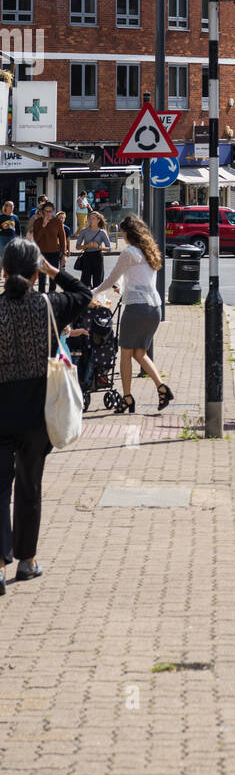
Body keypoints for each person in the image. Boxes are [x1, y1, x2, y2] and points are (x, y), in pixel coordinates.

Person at [0, 238, 93, 591]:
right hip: (39, 413)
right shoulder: (50, 305)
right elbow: (85, 293)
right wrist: (56, 271)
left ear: (5, 271)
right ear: (37, 271)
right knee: (29, 487)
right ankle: (26, 562)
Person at [101, 214, 172, 413]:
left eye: (123, 232)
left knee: (125, 353)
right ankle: (162, 388)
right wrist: (122, 289)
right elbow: (141, 281)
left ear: (128, 233)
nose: (122, 236)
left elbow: (110, 279)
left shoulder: (129, 253)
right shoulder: (150, 251)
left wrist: (90, 292)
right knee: (140, 353)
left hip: (136, 308)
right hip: (154, 308)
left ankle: (127, 398)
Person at [31, 202, 67, 294]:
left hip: (54, 252)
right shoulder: (37, 222)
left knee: (53, 276)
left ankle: (52, 295)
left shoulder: (57, 222)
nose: (48, 214)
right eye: (46, 211)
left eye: (50, 211)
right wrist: (43, 225)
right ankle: (41, 295)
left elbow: (63, 239)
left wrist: (64, 254)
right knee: (42, 277)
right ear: (42, 212)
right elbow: (36, 238)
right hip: (41, 253)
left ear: (53, 211)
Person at [75, 209, 111, 290]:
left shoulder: (102, 232)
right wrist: (86, 245)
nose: (91, 220)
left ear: (98, 220)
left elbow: (109, 249)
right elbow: (77, 247)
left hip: (98, 256)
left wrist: (98, 247)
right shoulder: (84, 231)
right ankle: (86, 300)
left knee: (98, 282)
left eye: (93, 218)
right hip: (86, 256)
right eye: (89, 218)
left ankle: (97, 300)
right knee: (85, 282)